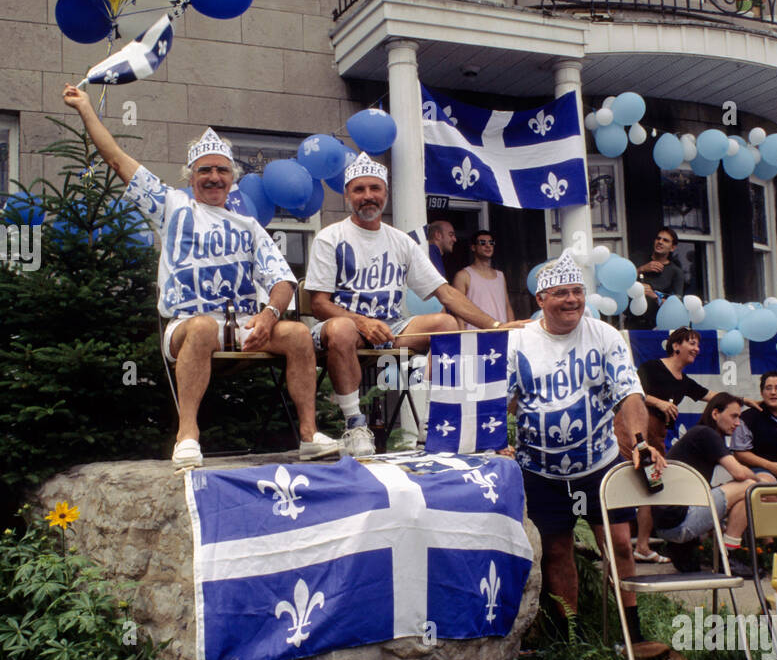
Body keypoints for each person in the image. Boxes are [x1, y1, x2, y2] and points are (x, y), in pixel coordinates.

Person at [61, 84, 337, 471]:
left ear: (232, 178)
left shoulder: (249, 225)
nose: (213, 176)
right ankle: (187, 435)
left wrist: (270, 315)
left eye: (221, 169)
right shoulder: (171, 207)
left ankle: (309, 436)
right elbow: (119, 161)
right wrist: (86, 109)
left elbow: (283, 281)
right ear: (191, 177)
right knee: (204, 326)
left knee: (295, 334)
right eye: (204, 169)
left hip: (243, 327)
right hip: (185, 327)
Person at [506, 250, 673, 660]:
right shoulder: (518, 341)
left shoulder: (605, 335)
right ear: (541, 299)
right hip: (539, 468)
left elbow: (629, 394)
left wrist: (638, 441)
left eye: (578, 292)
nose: (572, 300)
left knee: (618, 544)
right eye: (561, 293)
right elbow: (499, 400)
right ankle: (569, 643)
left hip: (598, 463)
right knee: (558, 551)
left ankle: (633, 637)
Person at [305, 154, 509, 457]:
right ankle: (355, 424)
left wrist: (496, 326)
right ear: (347, 195)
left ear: (385, 194)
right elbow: (319, 304)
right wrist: (362, 321)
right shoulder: (330, 237)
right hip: (341, 327)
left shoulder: (400, 241)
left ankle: (438, 417)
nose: (368, 196)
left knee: (446, 324)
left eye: (375, 188)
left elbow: (445, 293)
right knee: (343, 329)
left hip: (391, 325)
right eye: (359, 190)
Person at [634, 328, 761, 561]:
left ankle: (646, 547)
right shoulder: (652, 367)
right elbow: (634, 393)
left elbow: (713, 397)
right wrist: (660, 403)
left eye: (698, 345)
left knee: (654, 488)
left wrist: (743, 400)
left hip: (658, 437)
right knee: (643, 488)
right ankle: (639, 545)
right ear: (675, 346)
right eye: (691, 343)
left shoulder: (684, 381)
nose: (696, 349)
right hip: (638, 435)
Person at [652, 393, 767, 576]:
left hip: (666, 524)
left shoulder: (700, 433)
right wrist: (761, 480)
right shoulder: (707, 434)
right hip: (680, 522)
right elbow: (738, 472)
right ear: (715, 414)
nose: (738, 422)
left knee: (736, 492)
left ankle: (688, 551)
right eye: (734, 416)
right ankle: (727, 556)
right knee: (749, 486)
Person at [452, 230, 514, 330]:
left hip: (501, 333)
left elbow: (507, 306)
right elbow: (458, 310)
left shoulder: (500, 276)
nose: (488, 246)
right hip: (475, 336)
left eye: (491, 243)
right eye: (482, 243)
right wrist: (462, 335)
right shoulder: (463, 275)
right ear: (473, 247)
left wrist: (512, 331)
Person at [626, 226, 685, 329]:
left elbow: (676, 306)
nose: (660, 242)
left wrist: (653, 295)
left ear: (672, 248)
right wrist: (641, 269)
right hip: (632, 322)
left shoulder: (676, 272)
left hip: (656, 326)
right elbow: (621, 281)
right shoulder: (638, 258)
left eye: (665, 240)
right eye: (658, 238)